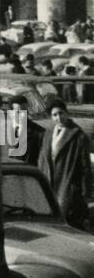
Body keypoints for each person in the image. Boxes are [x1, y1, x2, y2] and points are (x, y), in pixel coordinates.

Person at [38, 99, 92, 230]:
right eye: (54, 115)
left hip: (68, 187)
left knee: (69, 225)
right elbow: (42, 159)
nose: (58, 117)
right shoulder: (48, 134)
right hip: (49, 186)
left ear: (67, 113)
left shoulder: (79, 136)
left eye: (61, 113)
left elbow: (85, 167)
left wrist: (85, 193)